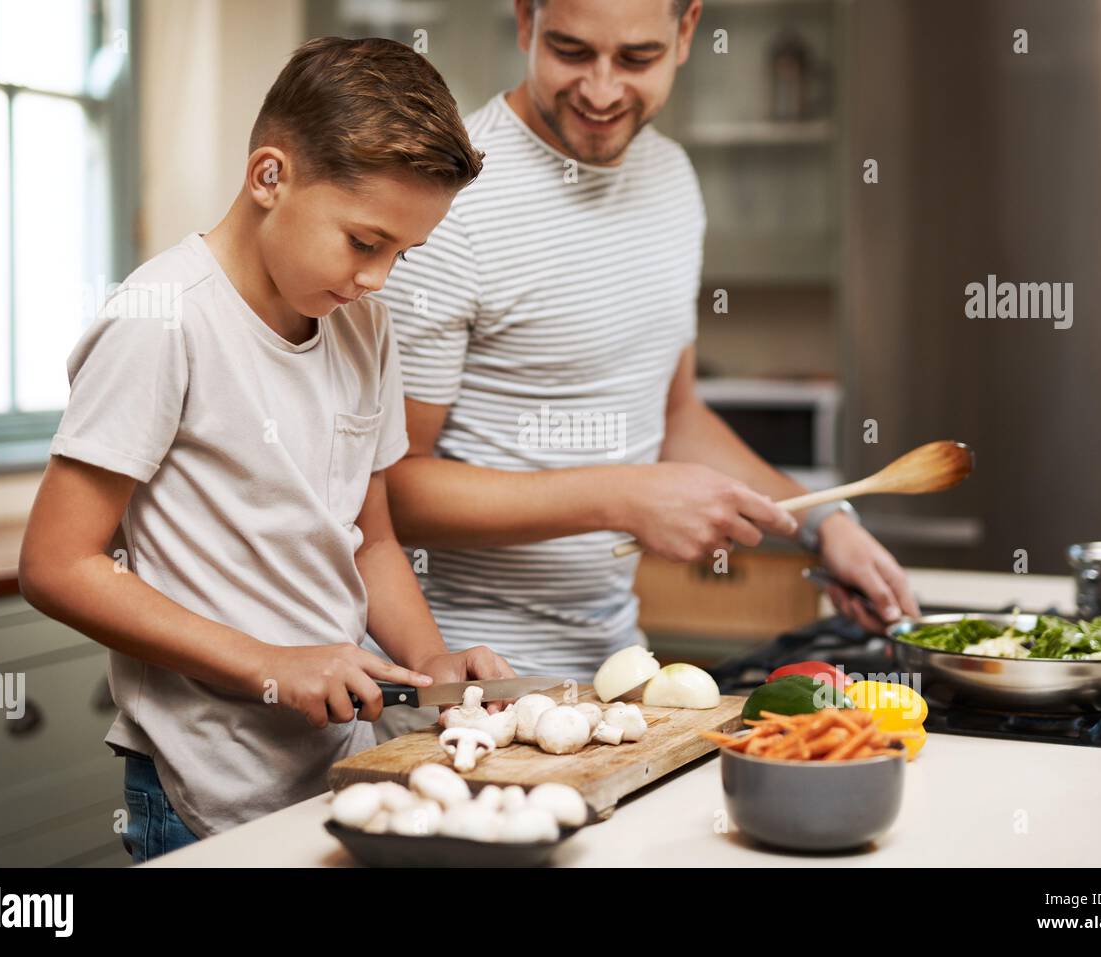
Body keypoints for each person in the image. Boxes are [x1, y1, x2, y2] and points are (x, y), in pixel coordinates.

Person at [18, 37, 514, 862]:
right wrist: (271, 665)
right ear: (269, 177)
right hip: (197, 785)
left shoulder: (363, 322)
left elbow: (376, 537)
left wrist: (431, 663)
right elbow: (57, 564)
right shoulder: (163, 317)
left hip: (343, 771)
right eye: (364, 242)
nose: (380, 277)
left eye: (403, 252)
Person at [373, 0, 919, 736]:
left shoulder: (671, 178)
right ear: (525, 20)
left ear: (688, 30)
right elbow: (389, 489)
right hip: (464, 691)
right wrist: (622, 497)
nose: (601, 92)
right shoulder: (449, 202)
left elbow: (675, 418)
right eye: (571, 51)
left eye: (635, 58)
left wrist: (822, 522)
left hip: (617, 683)